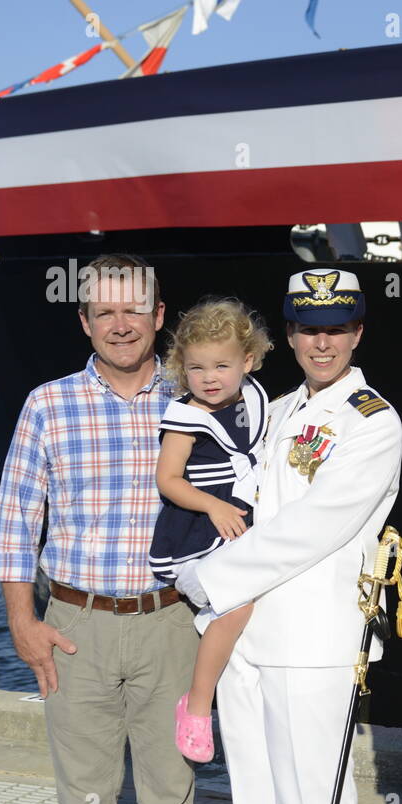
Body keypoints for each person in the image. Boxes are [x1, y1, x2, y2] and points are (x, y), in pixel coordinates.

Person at [172, 268, 402, 804]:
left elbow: (312, 527)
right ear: (291, 334)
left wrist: (209, 579)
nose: (321, 344)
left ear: (358, 333)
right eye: (308, 329)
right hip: (248, 641)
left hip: (310, 643)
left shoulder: (373, 422)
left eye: (336, 328)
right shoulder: (274, 410)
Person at [0, 253, 199, 804]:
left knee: (171, 799)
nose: (121, 324)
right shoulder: (47, 406)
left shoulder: (196, 400)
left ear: (158, 314)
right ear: (84, 320)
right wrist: (21, 621)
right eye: (104, 311)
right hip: (75, 630)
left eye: (134, 309)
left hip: (173, 624)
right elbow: (15, 525)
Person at [147, 298, 273, 762]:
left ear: (249, 361)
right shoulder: (185, 420)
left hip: (247, 521)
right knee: (235, 606)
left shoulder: (258, 399)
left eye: (222, 365)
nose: (210, 378)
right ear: (182, 369)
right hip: (199, 531)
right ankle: (198, 704)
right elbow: (168, 480)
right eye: (197, 368)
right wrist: (215, 506)